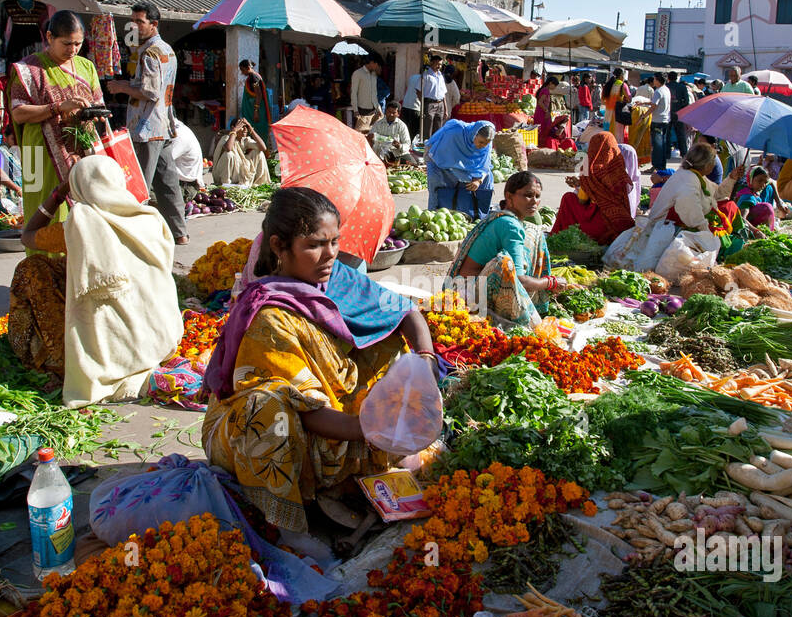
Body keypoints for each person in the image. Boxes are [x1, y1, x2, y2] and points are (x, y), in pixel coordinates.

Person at [201, 187, 437, 534]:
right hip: (273, 429)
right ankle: (288, 523)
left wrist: (425, 362)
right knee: (267, 411)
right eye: (314, 245)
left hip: (331, 414)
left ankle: (349, 476)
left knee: (390, 349)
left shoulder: (335, 277)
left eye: (334, 242)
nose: (329, 255)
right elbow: (305, 410)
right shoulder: (268, 314)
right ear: (280, 246)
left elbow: (405, 313)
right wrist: (372, 429)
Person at [11, 156, 183, 407]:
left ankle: (56, 358)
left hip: (111, 354)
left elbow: (27, 236)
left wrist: (57, 195)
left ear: (78, 186)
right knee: (65, 268)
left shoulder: (79, 226)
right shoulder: (150, 218)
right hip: (161, 340)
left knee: (31, 270)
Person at [7, 10, 104, 246]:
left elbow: (98, 101)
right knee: (40, 206)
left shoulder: (86, 67)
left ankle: (73, 273)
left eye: (78, 44)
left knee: (84, 207)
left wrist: (96, 114)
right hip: (37, 151)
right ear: (49, 37)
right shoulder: (28, 69)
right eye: (67, 43)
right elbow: (18, 113)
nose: (72, 50)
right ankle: (41, 271)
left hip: (78, 149)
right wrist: (58, 107)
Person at [107, 3, 188, 246]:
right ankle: (179, 232)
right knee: (167, 182)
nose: (134, 25)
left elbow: (150, 91)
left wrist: (121, 86)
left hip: (147, 127)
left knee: (140, 183)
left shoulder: (152, 52)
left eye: (139, 21)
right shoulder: (164, 49)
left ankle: (135, 236)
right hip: (161, 125)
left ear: (153, 24)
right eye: (132, 21)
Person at [447, 171, 567, 328]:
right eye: (528, 195)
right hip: (466, 297)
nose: (534, 201)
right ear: (509, 197)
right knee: (503, 264)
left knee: (534, 233)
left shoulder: (506, 218)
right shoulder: (509, 225)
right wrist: (551, 282)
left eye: (537, 196)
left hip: (468, 285)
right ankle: (515, 318)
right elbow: (520, 281)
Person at [551, 129, 637, 245]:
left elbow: (582, 200)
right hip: (618, 224)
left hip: (595, 227)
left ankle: (563, 235)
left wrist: (583, 185)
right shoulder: (619, 170)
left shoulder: (589, 170)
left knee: (568, 198)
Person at [425, 119, 495, 218]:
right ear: (474, 134)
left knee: (487, 179)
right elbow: (446, 158)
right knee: (438, 185)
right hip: (439, 160)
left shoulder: (486, 144)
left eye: (486, 144)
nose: (482, 146)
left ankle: (477, 215)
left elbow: (484, 165)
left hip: (461, 164)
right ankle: (433, 216)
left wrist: (479, 180)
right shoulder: (455, 134)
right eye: (481, 142)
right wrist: (465, 176)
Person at [212, 119, 273, 187]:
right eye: (242, 126)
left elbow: (263, 148)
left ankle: (258, 183)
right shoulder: (226, 138)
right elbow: (228, 148)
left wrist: (251, 129)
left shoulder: (245, 140)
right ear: (233, 127)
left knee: (258, 153)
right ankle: (226, 184)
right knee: (228, 154)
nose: (245, 129)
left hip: (237, 173)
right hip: (221, 175)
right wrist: (234, 131)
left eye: (246, 127)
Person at [734, 165, 786, 229]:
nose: (763, 185)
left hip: (753, 222)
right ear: (751, 179)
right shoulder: (747, 197)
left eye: (765, 182)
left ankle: (768, 225)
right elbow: (742, 219)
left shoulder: (754, 191)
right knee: (766, 207)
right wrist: (755, 231)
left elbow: (771, 182)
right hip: (747, 226)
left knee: (769, 188)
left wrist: (778, 202)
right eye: (760, 181)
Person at [534, 75, 577, 151]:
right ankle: (543, 147)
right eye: (555, 85)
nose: (555, 87)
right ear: (550, 83)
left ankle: (541, 146)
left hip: (540, 112)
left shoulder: (543, 89)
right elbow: (540, 102)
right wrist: (546, 111)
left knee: (541, 130)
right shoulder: (546, 90)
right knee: (543, 130)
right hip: (542, 113)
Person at [237, 60, 277, 142]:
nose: (241, 72)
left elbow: (259, 95)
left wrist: (256, 111)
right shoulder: (254, 76)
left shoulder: (253, 78)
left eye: (242, 70)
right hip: (254, 110)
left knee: (257, 132)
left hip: (257, 112)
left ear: (248, 68)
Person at [350, 55, 382, 131]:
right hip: (362, 111)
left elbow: (374, 94)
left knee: (372, 135)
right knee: (360, 135)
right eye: (377, 64)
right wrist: (355, 110)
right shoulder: (357, 73)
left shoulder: (374, 74)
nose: (377, 67)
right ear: (371, 63)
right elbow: (353, 92)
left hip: (374, 110)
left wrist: (379, 109)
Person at [171, 118, 205, 190]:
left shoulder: (179, 135)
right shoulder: (176, 128)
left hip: (186, 186)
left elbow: (163, 161)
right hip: (180, 181)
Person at [421, 55, 449, 138]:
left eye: (440, 64)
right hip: (429, 104)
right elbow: (419, 91)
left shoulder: (440, 76)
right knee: (427, 128)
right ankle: (426, 147)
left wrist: (446, 109)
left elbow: (443, 93)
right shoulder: (426, 75)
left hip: (440, 104)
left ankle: (436, 147)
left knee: (438, 128)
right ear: (431, 63)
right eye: (437, 64)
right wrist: (423, 104)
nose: (439, 66)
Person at [649, 73, 671, 172]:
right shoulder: (666, 90)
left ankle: (656, 166)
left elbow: (654, 106)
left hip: (657, 121)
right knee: (662, 144)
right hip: (665, 120)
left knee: (657, 145)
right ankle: (662, 165)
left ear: (658, 80)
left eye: (654, 79)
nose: (653, 81)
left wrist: (644, 115)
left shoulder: (658, 91)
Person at [603, 68, 632, 141]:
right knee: (618, 136)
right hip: (617, 114)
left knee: (608, 134)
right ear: (622, 75)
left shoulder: (608, 84)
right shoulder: (622, 85)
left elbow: (603, 99)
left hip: (607, 113)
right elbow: (629, 99)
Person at [667, 73, 690, 157]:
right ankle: (684, 153)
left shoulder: (665, 87)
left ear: (668, 78)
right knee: (680, 134)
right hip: (679, 113)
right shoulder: (682, 87)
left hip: (668, 113)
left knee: (667, 134)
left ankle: (667, 153)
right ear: (676, 78)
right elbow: (686, 101)